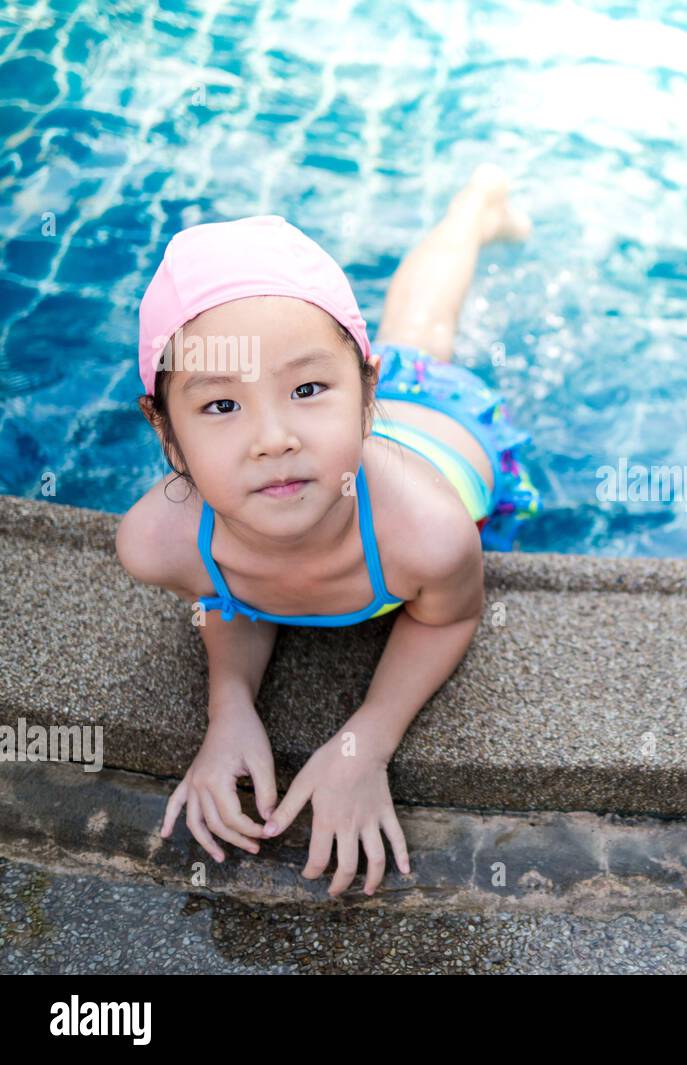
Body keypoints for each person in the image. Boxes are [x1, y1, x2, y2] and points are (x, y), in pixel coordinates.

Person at [116, 164, 539, 898]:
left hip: (439, 428)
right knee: (414, 325)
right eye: (220, 406)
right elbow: (232, 593)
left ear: (363, 389)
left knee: (425, 335)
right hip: (366, 422)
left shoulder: (427, 536)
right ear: (166, 431)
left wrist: (365, 741)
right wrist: (230, 707)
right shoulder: (160, 542)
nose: (274, 438)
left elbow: (448, 617)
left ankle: (472, 207)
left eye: (308, 389)